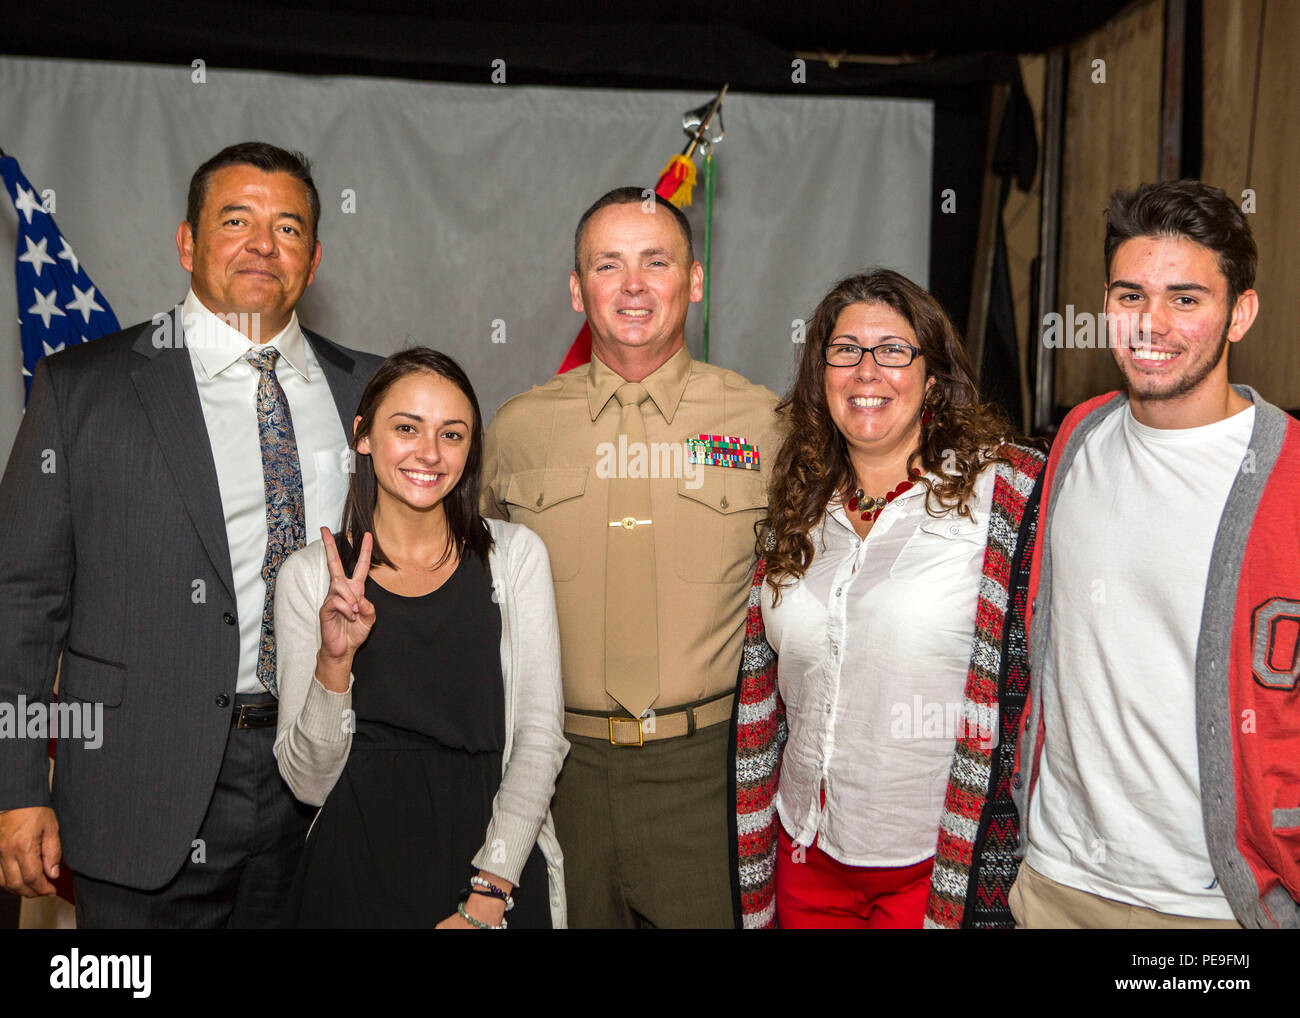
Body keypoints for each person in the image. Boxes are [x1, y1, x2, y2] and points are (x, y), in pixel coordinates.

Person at [0, 141, 381, 927]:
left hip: (322, 780)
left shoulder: (370, 393)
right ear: (187, 242)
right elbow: (21, 602)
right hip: (139, 789)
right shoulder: (83, 390)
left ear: (314, 258)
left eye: (288, 228)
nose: (261, 245)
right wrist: (12, 792)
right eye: (235, 219)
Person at [480, 187, 781, 928]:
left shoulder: (768, 424)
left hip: (707, 776)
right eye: (608, 265)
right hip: (557, 775)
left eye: (656, 261)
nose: (635, 285)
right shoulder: (517, 429)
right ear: (577, 290)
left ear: (696, 280)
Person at [1009, 179, 1299, 929]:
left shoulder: (1289, 480)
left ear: (1241, 313)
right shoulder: (1078, 440)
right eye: (1130, 295)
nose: (1152, 324)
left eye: (1186, 299)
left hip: (1209, 908)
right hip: (1053, 882)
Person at [733, 269, 1046, 929]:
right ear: (822, 376)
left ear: (932, 376)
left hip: (937, 864)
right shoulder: (797, 505)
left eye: (893, 349)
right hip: (803, 854)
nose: (866, 369)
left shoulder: (1006, 495)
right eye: (845, 350)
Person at [273, 348, 567, 929]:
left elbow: (540, 740)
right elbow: (307, 783)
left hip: (491, 873)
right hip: (353, 878)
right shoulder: (311, 577)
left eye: (451, 434)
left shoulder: (515, 557)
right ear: (363, 436)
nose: (429, 453)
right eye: (406, 428)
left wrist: (487, 894)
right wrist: (335, 663)